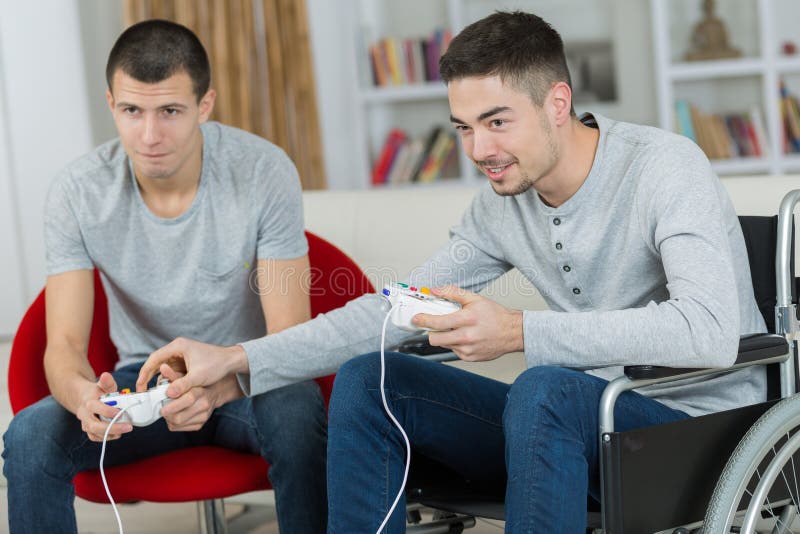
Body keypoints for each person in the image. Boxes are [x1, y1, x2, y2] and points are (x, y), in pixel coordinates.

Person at [138, 11, 766, 532]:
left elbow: (707, 330)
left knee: (543, 385)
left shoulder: (665, 168)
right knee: (371, 378)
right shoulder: (504, 204)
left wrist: (522, 331)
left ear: (557, 102)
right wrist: (238, 361)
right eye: (464, 128)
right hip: (575, 425)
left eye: (497, 122)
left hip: (694, 430)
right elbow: (392, 309)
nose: (478, 152)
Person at [2, 19, 327, 534]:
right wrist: (84, 396)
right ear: (111, 103)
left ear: (205, 105)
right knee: (29, 433)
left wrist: (221, 384)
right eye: (132, 111)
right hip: (145, 384)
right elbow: (62, 343)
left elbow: (289, 336)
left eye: (171, 111)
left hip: (246, 379)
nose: (149, 136)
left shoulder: (264, 171)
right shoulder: (77, 192)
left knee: (296, 408)